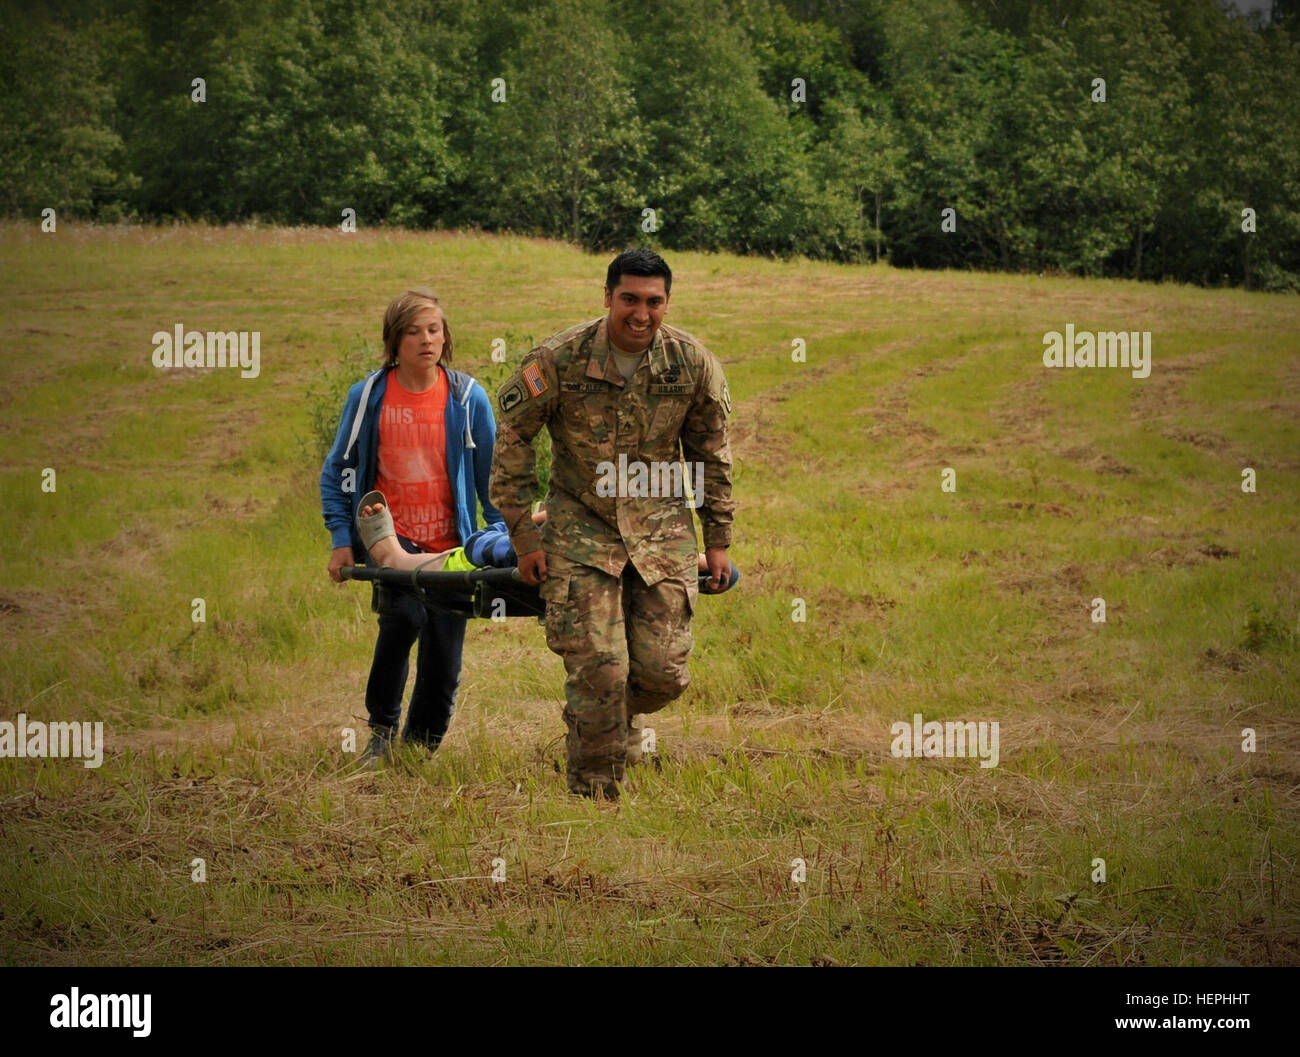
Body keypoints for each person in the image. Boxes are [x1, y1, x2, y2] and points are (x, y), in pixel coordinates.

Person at [489, 248, 735, 799]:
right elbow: (512, 439)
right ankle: (594, 793)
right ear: (607, 298)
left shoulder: (691, 363)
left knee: (663, 673)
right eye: (629, 299)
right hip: (581, 524)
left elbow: (711, 455)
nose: (640, 313)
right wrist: (524, 537)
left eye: (653, 301)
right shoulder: (557, 359)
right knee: (600, 666)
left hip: (660, 526)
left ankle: (611, 717)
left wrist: (717, 540)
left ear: (667, 302)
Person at [320, 288, 502, 767]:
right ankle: (380, 735)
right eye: (413, 331)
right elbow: (336, 471)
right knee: (400, 626)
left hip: (452, 550)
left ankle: (418, 752)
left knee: (443, 661)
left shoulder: (467, 398)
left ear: (446, 337)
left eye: (434, 329)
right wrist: (343, 543)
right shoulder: (369, 398)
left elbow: (495, 482)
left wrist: (505, 540)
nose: (426, 339)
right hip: (391, 546)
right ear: (394, 340)